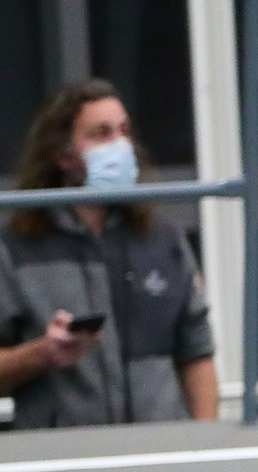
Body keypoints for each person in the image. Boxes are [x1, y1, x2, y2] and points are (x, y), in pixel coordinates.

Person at [0, 78, 218, 429]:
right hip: (65, 462)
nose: (118, 145)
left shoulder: (162, 237)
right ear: (62, 155)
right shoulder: (16, 247)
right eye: (101, 133)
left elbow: (196, 354)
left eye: (123, 131)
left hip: (159, 454)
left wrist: (206, 445)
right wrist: (42, 353)